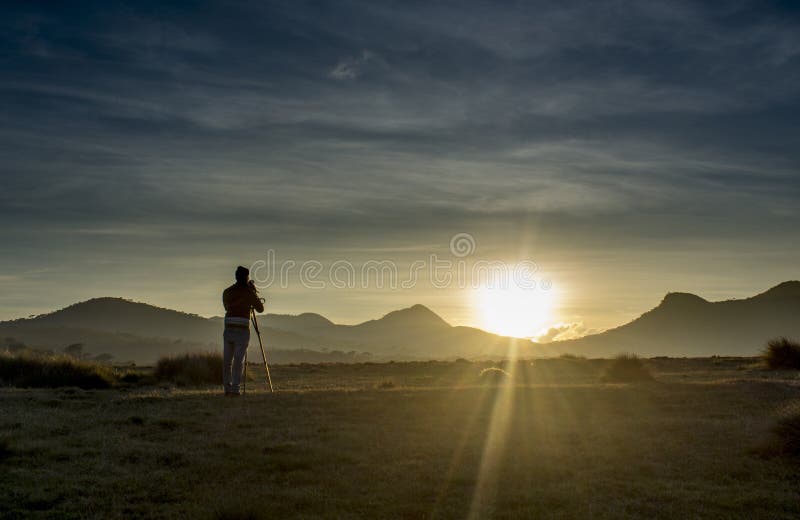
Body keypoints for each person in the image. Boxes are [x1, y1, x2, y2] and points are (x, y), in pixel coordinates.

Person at [222, 265, 264, 396]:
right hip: (242, 329)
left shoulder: (227, 292)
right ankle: (236, 389)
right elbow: (260, 309)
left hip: (228, 327)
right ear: (247, 277)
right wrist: (252, 292)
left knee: (227, 360)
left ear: (235, 276)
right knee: (238, 360)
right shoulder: (248, 292)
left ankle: (227, 389)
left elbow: (226, 307)